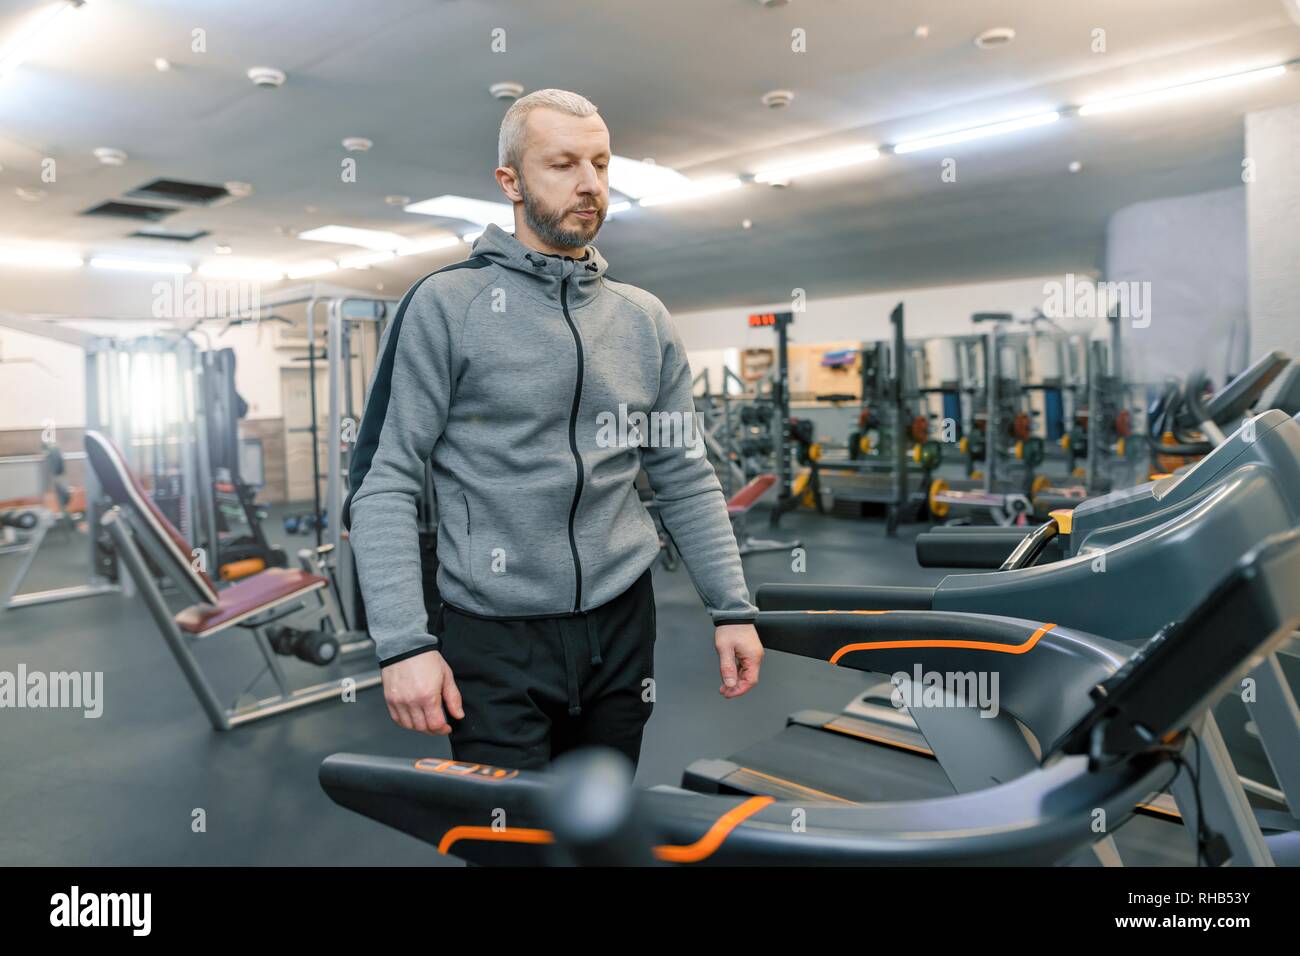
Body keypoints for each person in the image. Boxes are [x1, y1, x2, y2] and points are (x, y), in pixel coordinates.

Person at [346, 88, 762, 771]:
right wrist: (403, 643)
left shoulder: (642, 317)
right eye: (564, 164)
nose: (591, 184)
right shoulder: (447, 306)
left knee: (600, 824)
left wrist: (732, 607)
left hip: (623, 623)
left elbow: (683, 473)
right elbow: (384, 479)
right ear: (510, 181)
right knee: (509, 837)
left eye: (601, 163)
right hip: (494, 632)